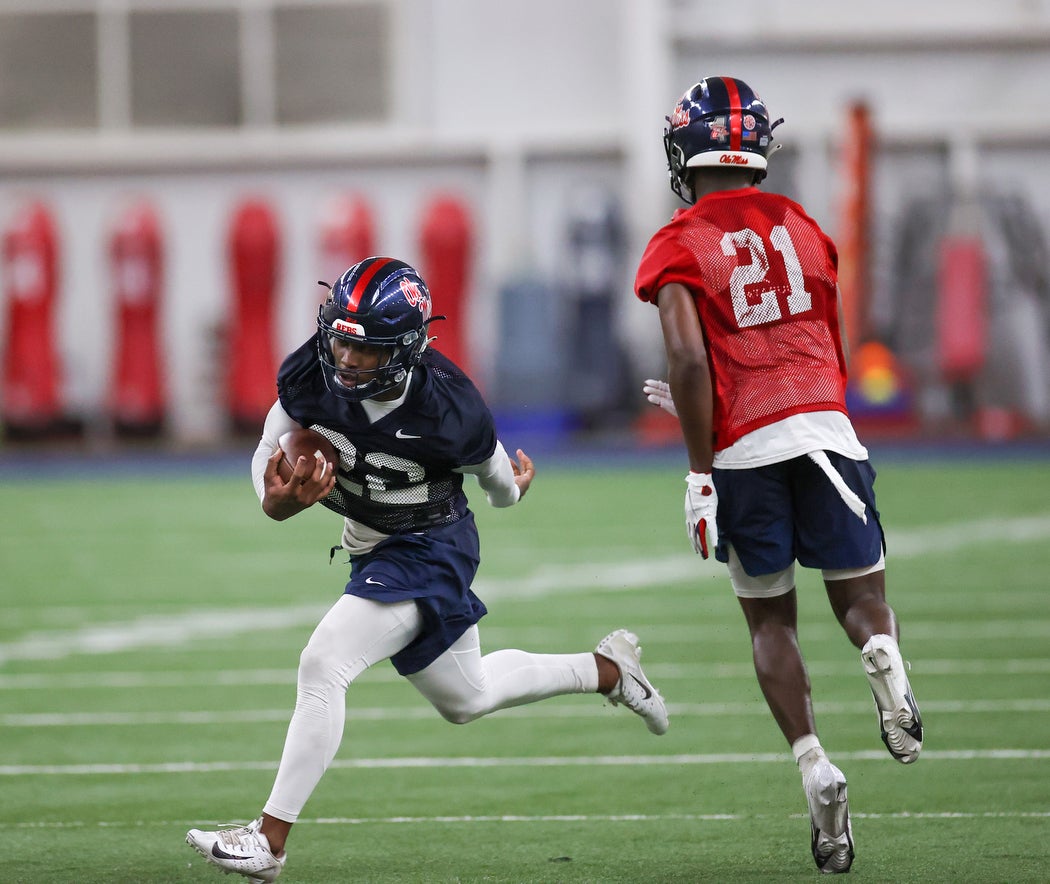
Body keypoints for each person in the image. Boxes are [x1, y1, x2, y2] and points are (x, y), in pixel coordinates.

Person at [185, 256, 668, 882]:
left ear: (407, 348)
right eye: (342, 341)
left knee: (324, 661)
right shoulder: (315, 366)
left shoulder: (450, 407)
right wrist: (272, 499)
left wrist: (516, 487)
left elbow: (498, 483)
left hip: (430, 543)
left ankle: (269, 840)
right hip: (368, 542)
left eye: (367, 350)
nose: (347, 360)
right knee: (466, 698)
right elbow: (269, 448)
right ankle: (606, 670)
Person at [633, 77, 922, 874]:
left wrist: (700, 467)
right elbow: (818, 345)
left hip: (744, 454)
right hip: (826, 429)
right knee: (863, 600)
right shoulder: (803, 224)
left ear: (687, 150)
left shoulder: (677, 239)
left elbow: (691, 355)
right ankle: (885, 663)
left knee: (771, 623)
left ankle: (813, 763)